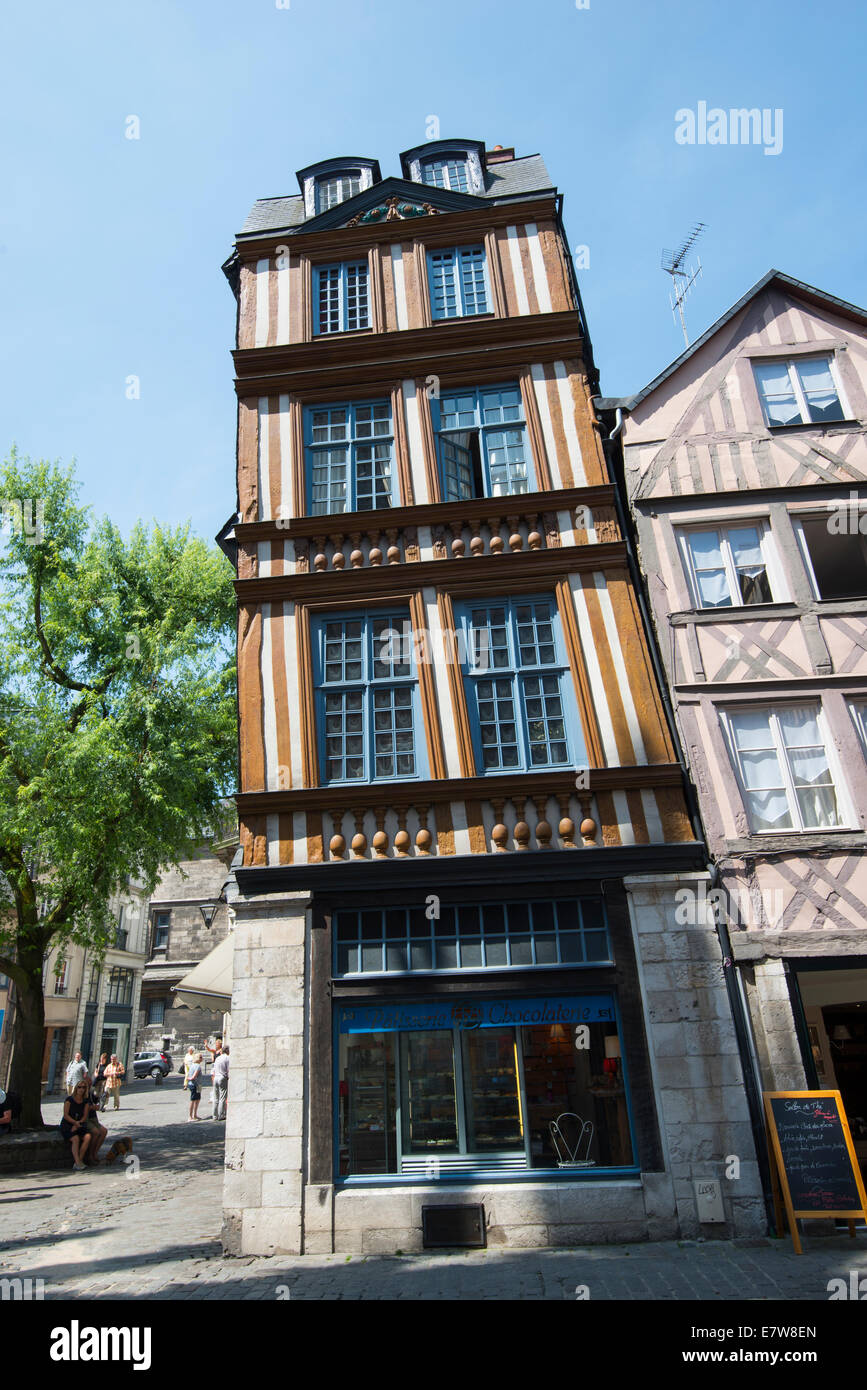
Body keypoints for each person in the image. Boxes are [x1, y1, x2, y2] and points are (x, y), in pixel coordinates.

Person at [60, 1081, 93, 1170]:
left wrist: (78, 1123)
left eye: (83, 1088)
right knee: (75, 1138)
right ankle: (78, 1162)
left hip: (79, 1123)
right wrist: (74, 1123)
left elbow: (85, 1116)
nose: (81, 1089)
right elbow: (66, 1115)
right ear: (76, 1088)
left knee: (88, 1136)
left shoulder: (85, 1101)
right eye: (79, 1087)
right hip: (68, 1124)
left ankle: (79, 1160)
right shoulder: (69, 1100)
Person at [211, 1045, 229, 1121]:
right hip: (222, 1077)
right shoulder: (227, 1058)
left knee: (216, 1097)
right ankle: (221, 1115)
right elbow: (228, 1069)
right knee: (222, 1097)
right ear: (227, 1050)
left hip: (216, 1077)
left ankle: (214, 1115)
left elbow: (214, 1069)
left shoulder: (218, 1058)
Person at [187, 1052, 203, 1121]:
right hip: (195, 1085)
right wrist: (190, 1078)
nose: (202, 1058)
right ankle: (191, 1116)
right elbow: (194, 1076)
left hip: (192, 1084)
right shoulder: (198, 1066)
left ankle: (195, 1115)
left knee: (196, 1099)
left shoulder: (192, 1065)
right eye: (201, 1057)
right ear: (199, 1059)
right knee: (193, 1100)